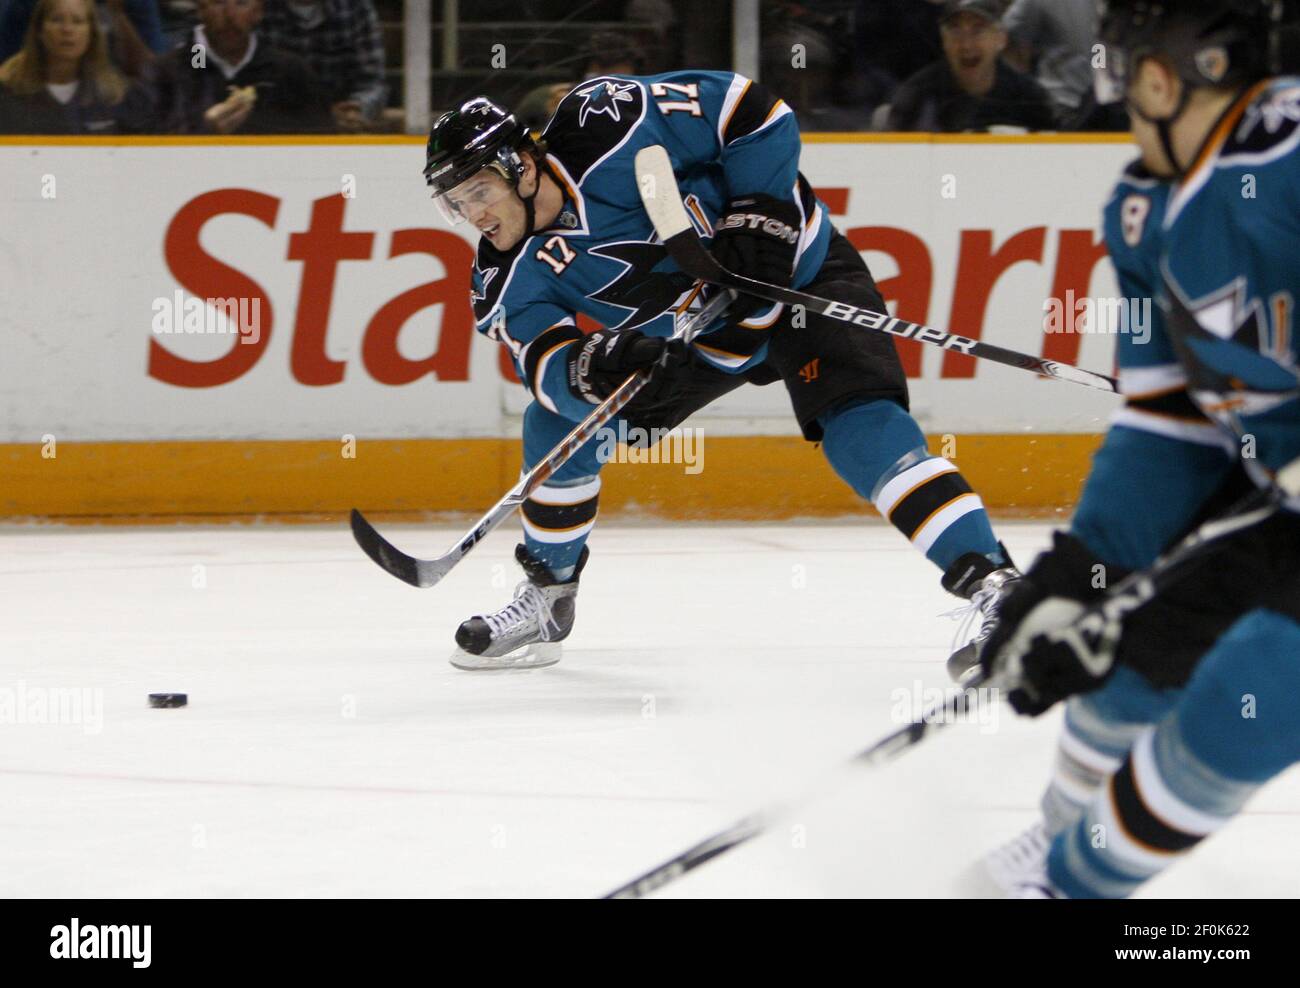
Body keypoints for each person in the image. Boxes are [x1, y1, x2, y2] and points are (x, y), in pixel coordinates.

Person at [421, 76, 1020, 670]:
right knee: (557, 427)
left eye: (479, 191)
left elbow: (752, 110)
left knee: (860, 429)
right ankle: (549, 599)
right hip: (698, 339)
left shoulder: (603, 121)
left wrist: (760, 214)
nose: (473, 214)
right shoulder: (502, 276)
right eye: (456, 203)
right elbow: (545, 365)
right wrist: (594, 367)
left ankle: (996, 588)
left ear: (523, 168)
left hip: (799, 278)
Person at [970, 0, 1300, 898]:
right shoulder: (1144, 209)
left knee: (1254, 696)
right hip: (1279, 495)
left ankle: (1070, 886)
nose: (1115, 96)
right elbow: (1169, 421)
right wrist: (1082, 570)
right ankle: (1058, 842)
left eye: (1121, 70)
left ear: (1161, 79)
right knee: (1130, 655)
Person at [151, 0, 331, 134]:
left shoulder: (289, 71)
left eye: (241, 2)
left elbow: (322, 144)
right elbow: (140, 148)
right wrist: (203, 133)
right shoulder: (168, 72)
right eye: (219, 2)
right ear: (200, 9)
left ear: (259, 12)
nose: (230, 16)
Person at [888, 0, 1055, 132]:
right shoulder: (917, 97)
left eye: (978, 30)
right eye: (955, 31)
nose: (966, 44)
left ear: (1000, 39)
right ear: (943, 40)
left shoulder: (1030, 98)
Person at [0, 0, 152, 133]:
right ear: (39, 31)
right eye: (57, 20)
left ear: (92, 33)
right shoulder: (8, 92)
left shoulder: (114, 95)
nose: (67, 29)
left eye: (78, 21)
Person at [258, 0, 387, 132]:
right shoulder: (258, 7)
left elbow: (373, 83)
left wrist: (357, 107)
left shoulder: (356, 7)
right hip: (270, 127)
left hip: (338, 129)